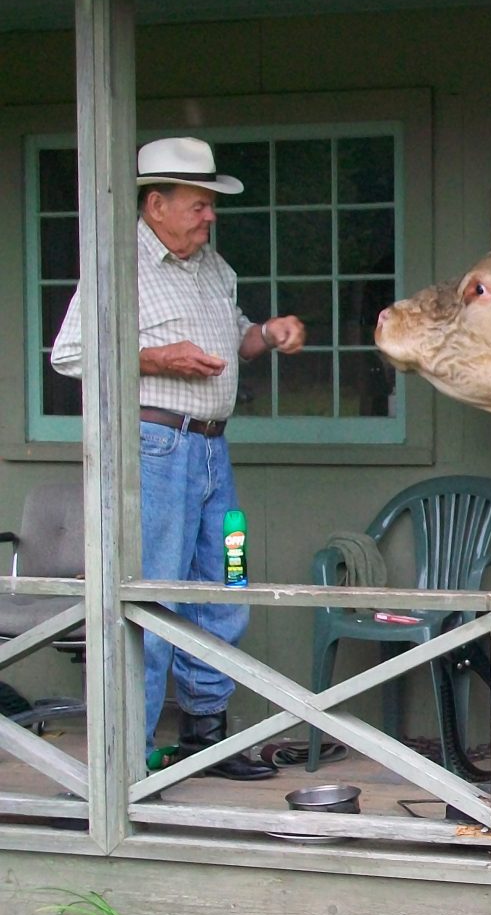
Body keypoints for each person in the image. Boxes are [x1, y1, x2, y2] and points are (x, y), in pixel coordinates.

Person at [51, 136, 306, 779]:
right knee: (151, 599)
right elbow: (70, 355)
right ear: (156, 204)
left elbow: (235, 337)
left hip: (213, 448)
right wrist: (158, 359)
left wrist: (266, 334)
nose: (209, 215)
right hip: (156, 447)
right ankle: (130, 763)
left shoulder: (212, 266)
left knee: (225, 584)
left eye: (210, 204)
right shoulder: (118, 265)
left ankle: (206, 738)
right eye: (198, 204)